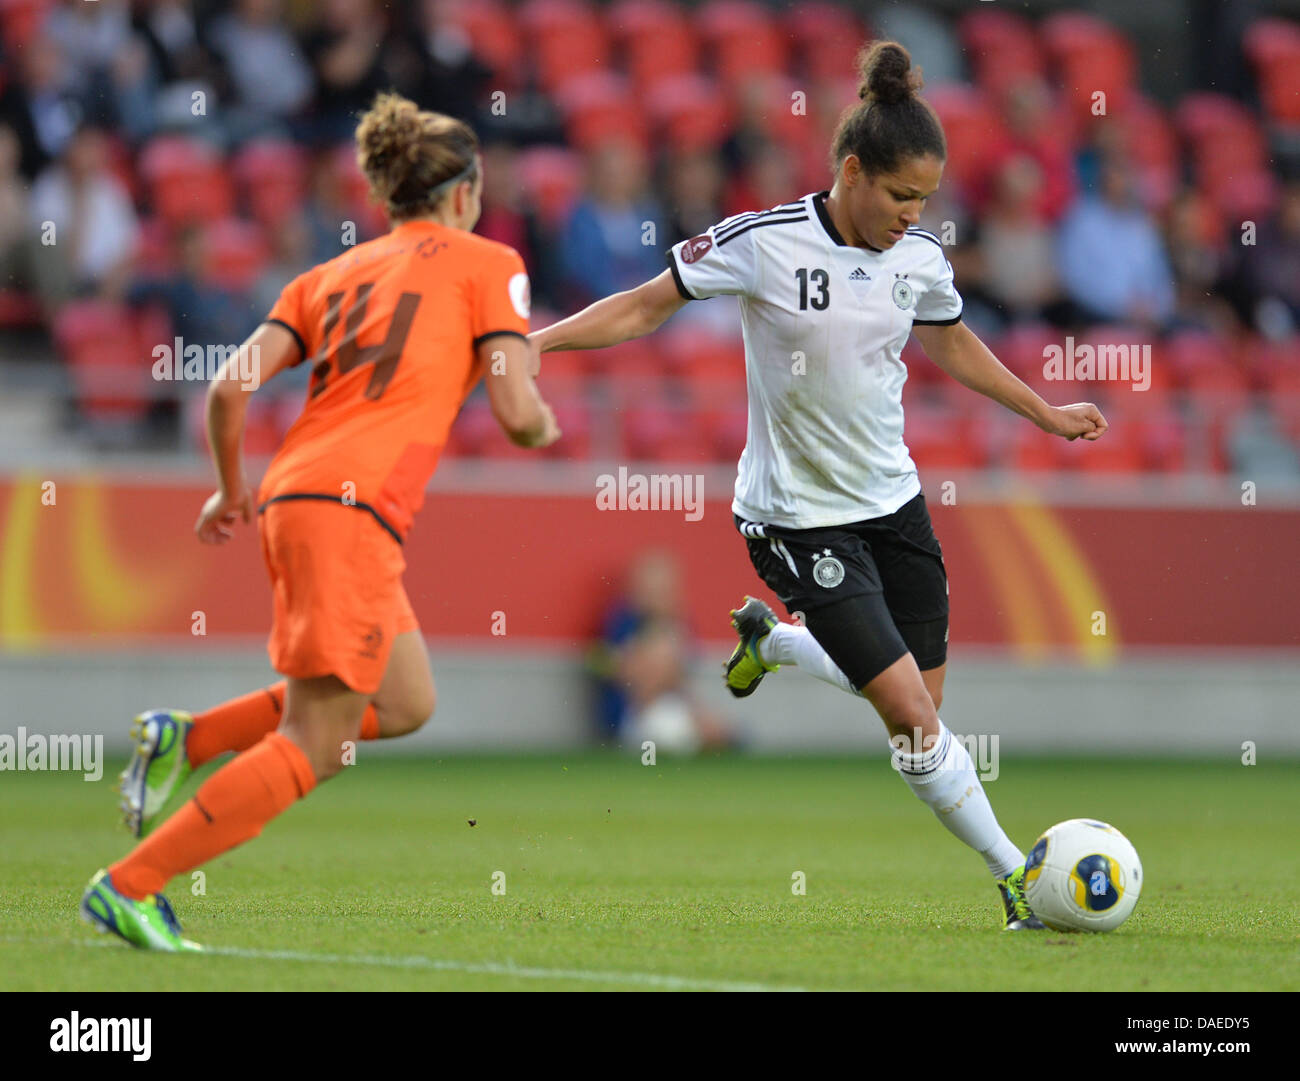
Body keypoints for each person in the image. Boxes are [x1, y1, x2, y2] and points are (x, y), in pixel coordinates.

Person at [530, 42, 1108, 931]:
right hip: (795, 518)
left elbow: (951, 340)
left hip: (895, 503)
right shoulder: (762, 243)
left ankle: (781, 644)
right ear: (851, 171)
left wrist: (1041, 410)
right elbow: (646, 304)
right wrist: (537, 344)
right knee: (915, 721)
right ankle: (1016, 875)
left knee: (927, 706)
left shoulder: (916, 260)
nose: (913, 217)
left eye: (926, 200)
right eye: (901, 196)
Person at [80, 92, 560, 950]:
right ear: (462, 191)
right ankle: (132, 884)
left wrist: (231, 488)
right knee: (322, 736)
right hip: (354, 507)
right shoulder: (491, 263)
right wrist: (540, 416)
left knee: (405, 699)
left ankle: (185, 737)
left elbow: (228, 387)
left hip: (296, 491)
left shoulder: (324, 276)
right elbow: (519, 415)